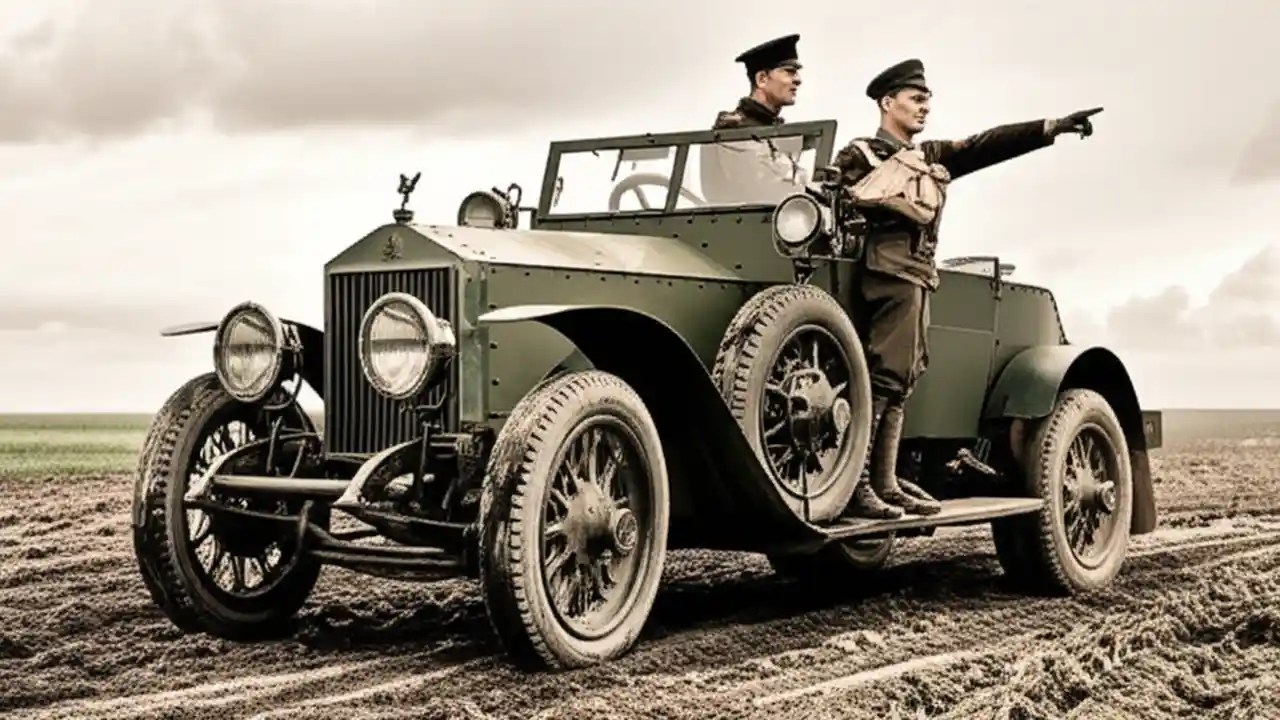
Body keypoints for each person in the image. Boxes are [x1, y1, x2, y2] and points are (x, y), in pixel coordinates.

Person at [835, 58, 1102, 520]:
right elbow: (831, 204)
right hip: (886, 274)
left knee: (903, 379)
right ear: (887, 102)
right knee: (883, 378)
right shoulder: (861, 154)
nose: (924, 109)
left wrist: (1049, 128)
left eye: (927, 101)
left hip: (917, 277)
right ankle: (858, 483)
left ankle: (884, 481)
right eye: (916, 100)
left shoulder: (929, 156)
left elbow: (983, 145)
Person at [705, 35, 809, 204]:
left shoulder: (773, 131)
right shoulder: (736, 130)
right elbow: (760, 188)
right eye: (789, 72)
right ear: (762, 79)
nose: (798, 80)